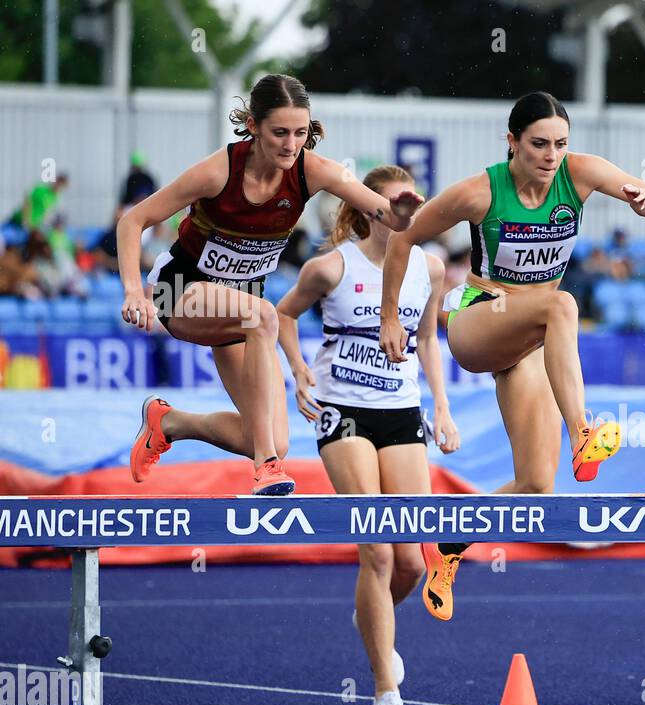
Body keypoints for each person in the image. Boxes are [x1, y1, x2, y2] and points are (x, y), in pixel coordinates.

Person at [115, 74, 424, 496]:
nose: (290, 144)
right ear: (254, 126)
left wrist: (401, 213)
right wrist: (134, 290)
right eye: (279, 133)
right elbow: (133, 220)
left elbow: (388, 215)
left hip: (239, 311)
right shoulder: (217, 171)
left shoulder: (312, 171)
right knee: (262, 316)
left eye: (300, 133)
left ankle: (170, 423)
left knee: (269, 436)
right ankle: (267, 469)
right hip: (181, 292)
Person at [379, 91, 645, 490]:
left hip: (530, 338)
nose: (551, 157)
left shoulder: (581, 173)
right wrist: (389, 317)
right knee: (562, 304)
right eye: (539, 144)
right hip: (479, 318)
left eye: (560, 145)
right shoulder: (480, 192)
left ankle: (448, 543)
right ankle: (582, 433)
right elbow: (401, 240)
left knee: (536, 485)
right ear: (512, 141)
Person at [277, 165, 459, 705]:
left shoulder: (428, 268)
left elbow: (429, 338)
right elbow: (282, 316)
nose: (405, 212)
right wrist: (299, 369)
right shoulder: (330, 266)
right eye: (392, 203)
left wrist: (442, 407)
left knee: (410, 557)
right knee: (376, 551)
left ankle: (369, 616)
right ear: (368, 209)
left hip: (401, 413)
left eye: (411, 203)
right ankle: (386, 692)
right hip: (344, 413)